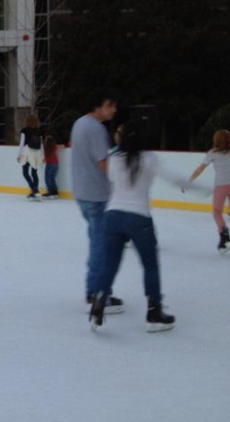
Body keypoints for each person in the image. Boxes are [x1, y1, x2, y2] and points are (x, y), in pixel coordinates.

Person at [89, 121, 183, 333]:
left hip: (113, 216)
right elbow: (175, 178)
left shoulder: (113, 158)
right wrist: (201, 187)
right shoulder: (149, 158)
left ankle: (99, 303)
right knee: (150, 265)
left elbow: (110, 179)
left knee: (109, 264)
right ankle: (154, 312)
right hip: (138, 218)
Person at [70, 91, 123, 313]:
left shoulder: (79, 124)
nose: (114, 110)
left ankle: (97, 290)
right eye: (110, 105)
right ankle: (96, 294)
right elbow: (103, 164)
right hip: (96, 195)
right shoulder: (96, 129)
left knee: (97, 242)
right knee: (101, 247)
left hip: (82, 193)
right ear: (97, 106)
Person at [183, 129, 230, 253]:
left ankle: (224, 234)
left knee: (217, 212)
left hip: (220, 186)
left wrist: (189, 181)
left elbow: (200, 169)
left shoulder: (212, 153)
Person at [17, 114, 45, 201]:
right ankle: (35, 192)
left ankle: (35, 191)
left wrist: (19, 155)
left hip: (27, 152)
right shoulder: (39, 131)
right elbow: (41, 144)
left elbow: (22, 143)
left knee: (25, 172)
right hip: (37, 153)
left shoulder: (24, 130)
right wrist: (42, 156)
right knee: (34, 173)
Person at [42, 135, 60, 200]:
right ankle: (55, 192)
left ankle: (50, 191)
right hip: (56, 163)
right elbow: (61, 146)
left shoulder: (46, 147)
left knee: (47, 178)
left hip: (50, 163)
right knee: (52, 178)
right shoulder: (54, 146)